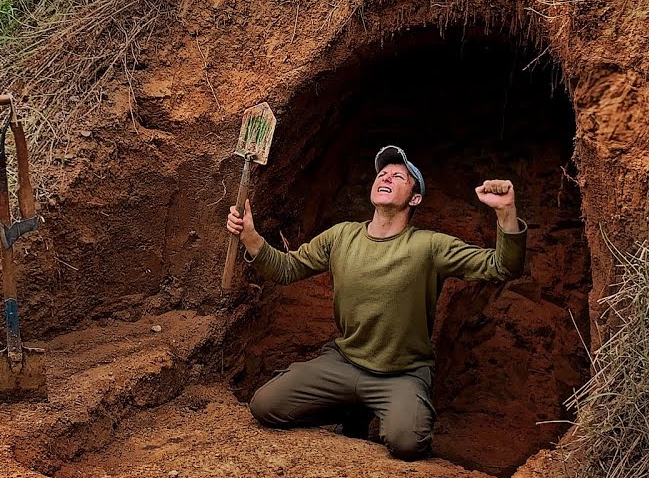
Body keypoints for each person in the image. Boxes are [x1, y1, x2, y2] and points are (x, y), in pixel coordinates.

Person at [225, 145, 527, 460]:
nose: (386, 177)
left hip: (401, 373)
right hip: (344, 363)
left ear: (415, 199)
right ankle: (350, 409)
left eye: (399, 176)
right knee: (265, 405)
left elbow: (502, 266)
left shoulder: (430, 246)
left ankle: (384, 410)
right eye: (382, 173)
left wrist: (506, 212)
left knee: (407, 442)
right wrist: (250, 237)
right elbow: (287, 269)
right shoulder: (341, 236)